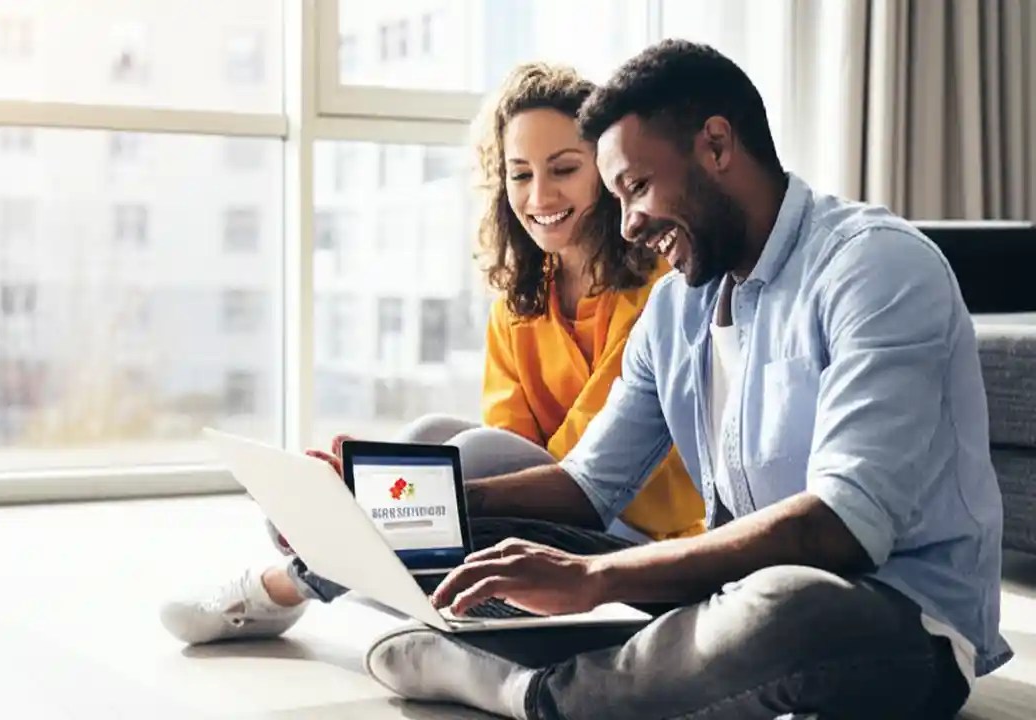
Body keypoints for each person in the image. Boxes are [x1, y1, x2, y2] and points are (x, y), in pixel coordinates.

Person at [361, 40, 1010, 720]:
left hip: (898, 619)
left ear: (717, 146)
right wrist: (407, 503)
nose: (629, 223)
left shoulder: (875, 269)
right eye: (617, 197)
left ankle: (529, 690)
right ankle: (645, 662)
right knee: (469, 532)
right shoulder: (678, 306)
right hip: (725, 593)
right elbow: (588, 485)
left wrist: (595, 577)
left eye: (636, 188)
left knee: (785, 607)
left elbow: (843, 526)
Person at [159, 62, 705, 646]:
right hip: (533, 509)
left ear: (604, 171)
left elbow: (583, 470)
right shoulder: (523, 299)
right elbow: (513, 445)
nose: (540, 196)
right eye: (520, 175)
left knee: (454, 457)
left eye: (564, 170)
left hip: (631, 532)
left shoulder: (656, 293)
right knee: (429, 432)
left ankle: (284, 586)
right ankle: (323, 550)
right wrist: (392, 481)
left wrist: (392, 493)